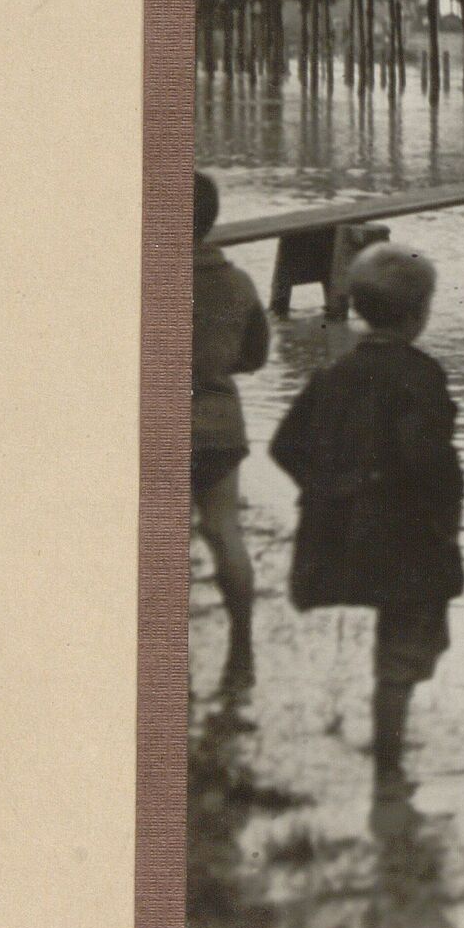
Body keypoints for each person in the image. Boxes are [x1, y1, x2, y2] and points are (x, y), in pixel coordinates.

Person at [270, 243, 464, 778]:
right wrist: (446, 524)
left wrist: (331, 493)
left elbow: (286, 446)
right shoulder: (423, 377)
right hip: (408, 537)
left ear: (357, 308)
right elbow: (433, 464)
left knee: (393, 641)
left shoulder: (335, 374)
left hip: (349, 532)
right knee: (402, 652)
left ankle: (387, 752)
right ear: (421, 314)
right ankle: (389, 768)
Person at [190, 172, 271, 691]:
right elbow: (256, 356)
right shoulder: (237, 281)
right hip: (220, 422)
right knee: (226, 534)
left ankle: (171, 666)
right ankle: (242, 652)